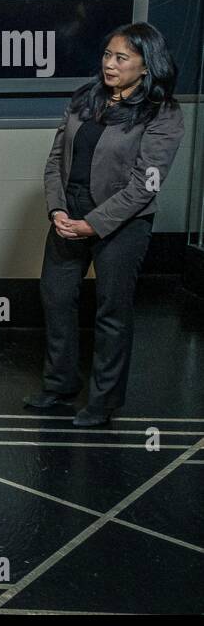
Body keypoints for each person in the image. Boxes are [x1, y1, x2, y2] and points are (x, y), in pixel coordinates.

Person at [26, 23, 184, 427]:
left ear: (146, 66)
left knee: (112, 311)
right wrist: (57, 211)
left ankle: (103, 401)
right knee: (56, 298)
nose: (109, 65)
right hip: (69, 214)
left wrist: (93, 225)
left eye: (121, 58)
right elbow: (55, 160)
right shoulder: (85, 97)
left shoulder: (162, 112)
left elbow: (146, 185)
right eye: (107, 55)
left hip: (121, 222)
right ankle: (60, 384)